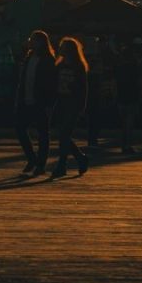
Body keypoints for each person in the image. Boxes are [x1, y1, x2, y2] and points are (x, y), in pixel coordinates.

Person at [15, 29, 59, 176]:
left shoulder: (48, 60)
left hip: (40, 102)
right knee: (21, 129)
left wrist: (49, 103)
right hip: (26, 100)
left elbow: (52, 84)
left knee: (43, 134)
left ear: (40, 42)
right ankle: (32, 158)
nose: (30, 42)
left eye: (33, 40)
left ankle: (40, 164)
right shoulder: (29, 58)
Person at [51, 36, 89, 179]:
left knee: (64, 135)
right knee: (63, 134)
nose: (60, 49)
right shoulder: (59, 65)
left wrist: (82, 106)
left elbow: (84, 87)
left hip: (72, 104)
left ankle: (62, 165)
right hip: (61, 102)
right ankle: (80, 158)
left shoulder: (78, 66)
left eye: (62, 47)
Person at [115, 39, 142, 154]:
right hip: (132, 96)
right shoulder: (135, 68)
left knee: (123, 123)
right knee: (129, 123)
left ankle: (123, 144)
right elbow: (140, 82)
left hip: (121, 96)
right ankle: (128, 144)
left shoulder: (119, 68)